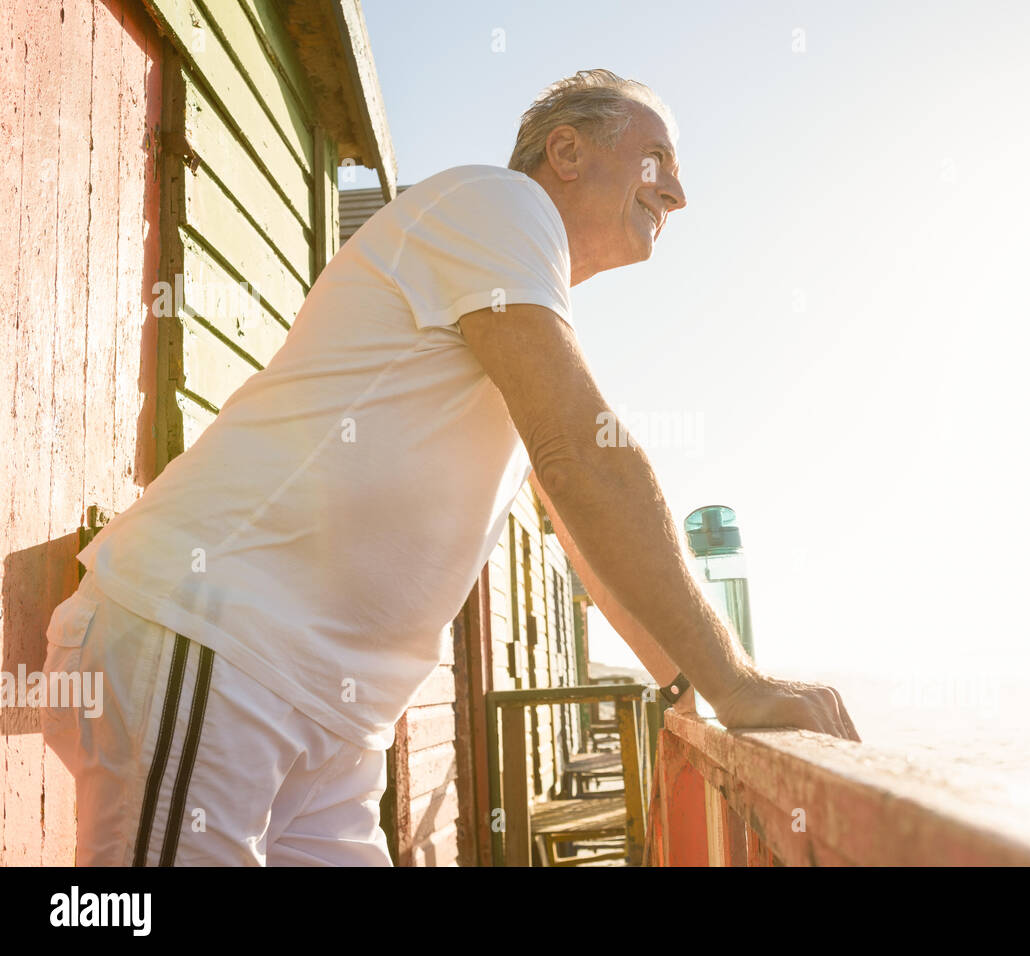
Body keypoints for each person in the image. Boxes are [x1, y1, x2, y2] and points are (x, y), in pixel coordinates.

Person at [40, 68, 859, 867]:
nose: (676, 193)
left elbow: (581, 532)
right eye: (657, 162)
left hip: (330, 725)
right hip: (217, 646)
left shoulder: (514, 302)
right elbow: (582, 459)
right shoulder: (499, 205)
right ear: (566, 152)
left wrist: (688, 688)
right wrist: (736, 679)